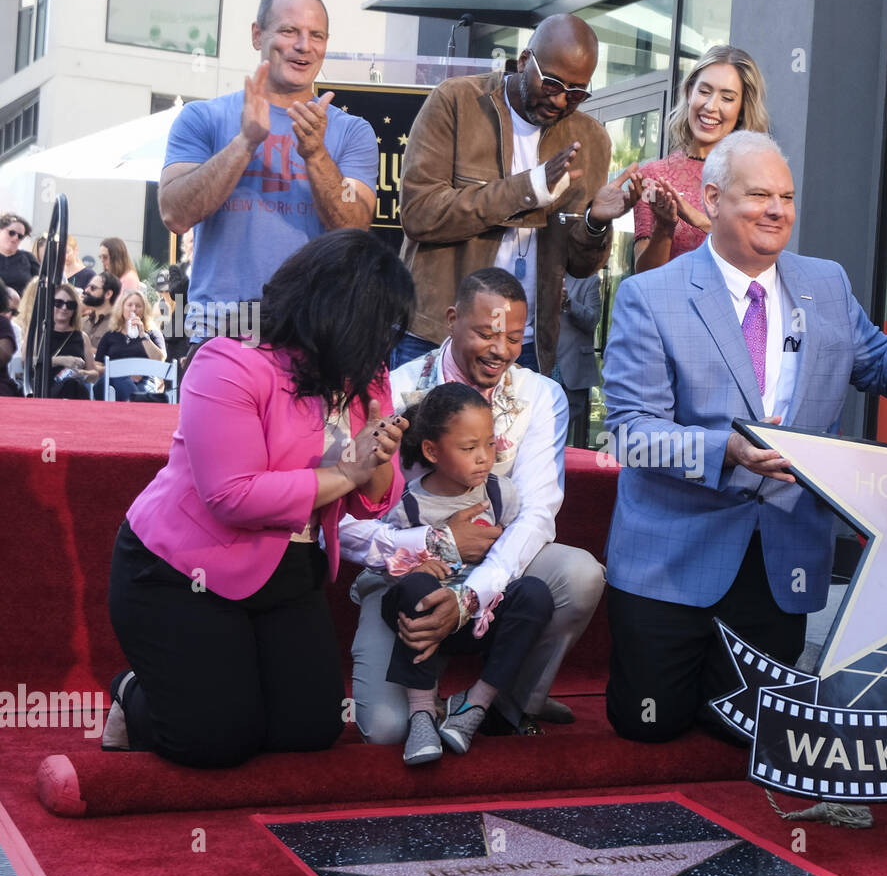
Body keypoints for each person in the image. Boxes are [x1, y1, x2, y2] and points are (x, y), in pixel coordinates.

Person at [601, 132, 887, 743]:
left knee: (747, 733)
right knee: (649, 725)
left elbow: (877, 365)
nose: (777, 210)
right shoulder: (650, 295)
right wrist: (728, 452)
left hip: (779, 554)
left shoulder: (825, 283)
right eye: (760, 195)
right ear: (712, 199)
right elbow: (631, 435)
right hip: (672, 553)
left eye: (788, 198)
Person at [104, 229, 408, 768]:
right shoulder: (230, 360)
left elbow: (376, 498)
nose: (388, 340)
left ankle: (224, 685)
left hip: (290, 572)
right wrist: (349, 470)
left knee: (309, 730)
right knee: (215, 742)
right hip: (181, 572)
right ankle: (133, 691)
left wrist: (376, 466)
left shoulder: (368, 372)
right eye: (379, 322)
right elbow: (232, 495)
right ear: (334, 310)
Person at [341, 267, 605, 743]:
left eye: (514, 337)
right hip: (406, 573)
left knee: (580, 573)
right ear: (450, 319)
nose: (500, 350)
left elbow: (537, 515)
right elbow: (341, 526)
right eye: (486, 333)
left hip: (497, 563)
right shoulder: (394, 389)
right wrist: (439, 544)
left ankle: (507, 700)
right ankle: (431, 703)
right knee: (384, 730)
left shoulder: (540, 396)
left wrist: (469, 596)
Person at [397, 13, 643, 374]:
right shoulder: (458, 102)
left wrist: (594, 223)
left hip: (523, 344)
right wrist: (529, 190)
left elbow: (580, 265)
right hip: (436, 332)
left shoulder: (590, 139)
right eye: (553, 84)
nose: (561, 100)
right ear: (526, 61)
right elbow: (419, 214)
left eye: (576, 92)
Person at [158, 0, 378, 360]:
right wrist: (245, 142)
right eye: (289, 31)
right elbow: (175, 214)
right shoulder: (202, 117)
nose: (304, 45)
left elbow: (354, 226)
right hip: (223, 326)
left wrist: (316, 155)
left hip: (313, 326)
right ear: (258, 34)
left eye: (316, 35)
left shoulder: (352, 131)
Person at [356, 382, 555, 763]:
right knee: (417, 584)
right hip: (420, 623)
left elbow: (514, 552)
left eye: (490, 445)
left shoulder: (502, 494)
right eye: (469, 448)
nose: (483, 458)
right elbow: (385, 562)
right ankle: (421, 713)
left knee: (534, 593)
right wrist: (416, 564)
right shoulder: (409, 504)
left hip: (476, 616)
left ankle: (475, 704)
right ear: (432, 450)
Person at [633, 45, 769, 274]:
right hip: (671, 307)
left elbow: (759, 257)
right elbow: (644, 276)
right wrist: (665, 228)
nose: (711, 106)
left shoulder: (755, 177)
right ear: (689, 93)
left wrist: (698, 219)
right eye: (704, 91)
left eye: (727, 97)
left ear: (742, 110)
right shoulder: (654, 176)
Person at [90, 289, 167, 401]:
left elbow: (160, 360)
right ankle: (137, 404)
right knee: (120, 381)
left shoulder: (152, 333)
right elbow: (97, 365)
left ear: (144, 310)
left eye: (138, 306)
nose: (133, 309)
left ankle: (135, 404)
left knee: (141, 390)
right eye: (129, 305)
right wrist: (120, 371)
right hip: (112, 380)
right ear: (122, 308)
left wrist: (142, 334)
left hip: (143, 381)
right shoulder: (110, 335)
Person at [554, 271, 602, 447]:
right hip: (542, 364)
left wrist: (569, 303)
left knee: (563, 432)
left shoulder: (590, 280)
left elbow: (593, 320)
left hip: (573, 368)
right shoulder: (541, 273)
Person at [80, 271, 121, 360]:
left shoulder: (119, 324)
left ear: (108, 294)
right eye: (87, 287)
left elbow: (116, 357)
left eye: (93, 288)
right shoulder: (82, 321)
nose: (86, 290)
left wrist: (85, 349)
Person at [0, 213, 40, 296]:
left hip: (21, 307)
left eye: (20, 236)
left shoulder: (28, 259)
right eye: (11, 233)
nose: (15, 238)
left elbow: (39, 286)